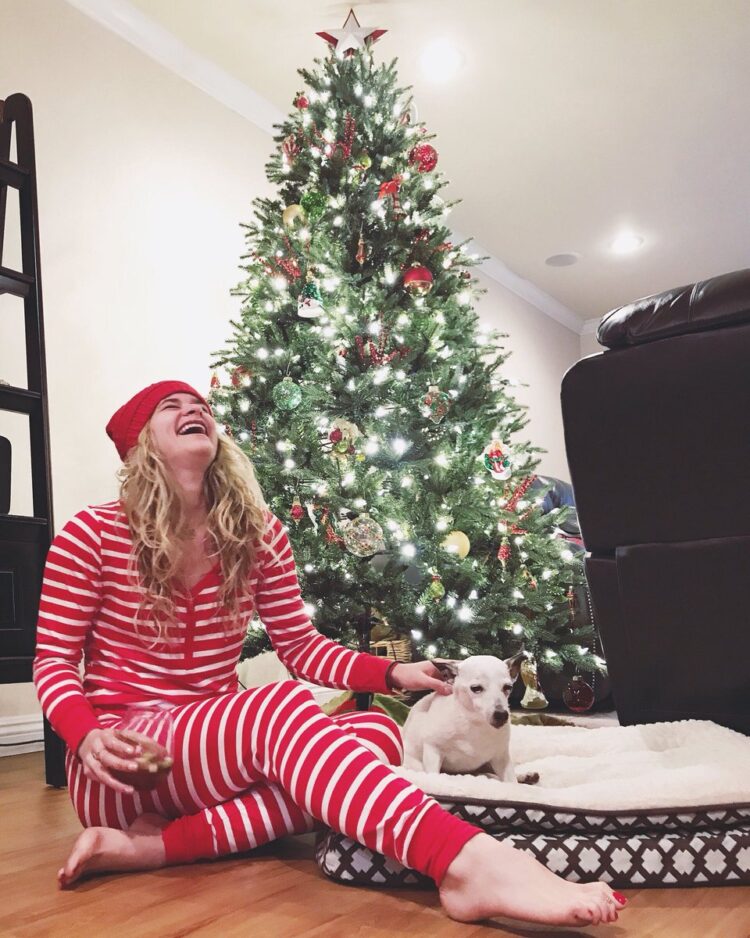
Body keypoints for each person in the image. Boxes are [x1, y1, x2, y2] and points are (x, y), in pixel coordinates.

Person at [34, 380, 626, 927]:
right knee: (282, 710)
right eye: (172, 407)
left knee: (376, 734)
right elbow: (53, 662)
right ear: (140, 444)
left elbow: (299, 645)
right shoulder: (90, 534)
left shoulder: (258, 535)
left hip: (211, 756)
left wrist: (394, 673)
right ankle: (465, 862)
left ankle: (160, 846)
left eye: (202, 407)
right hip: (121, 763)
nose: (194, 410)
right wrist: (85, 735)